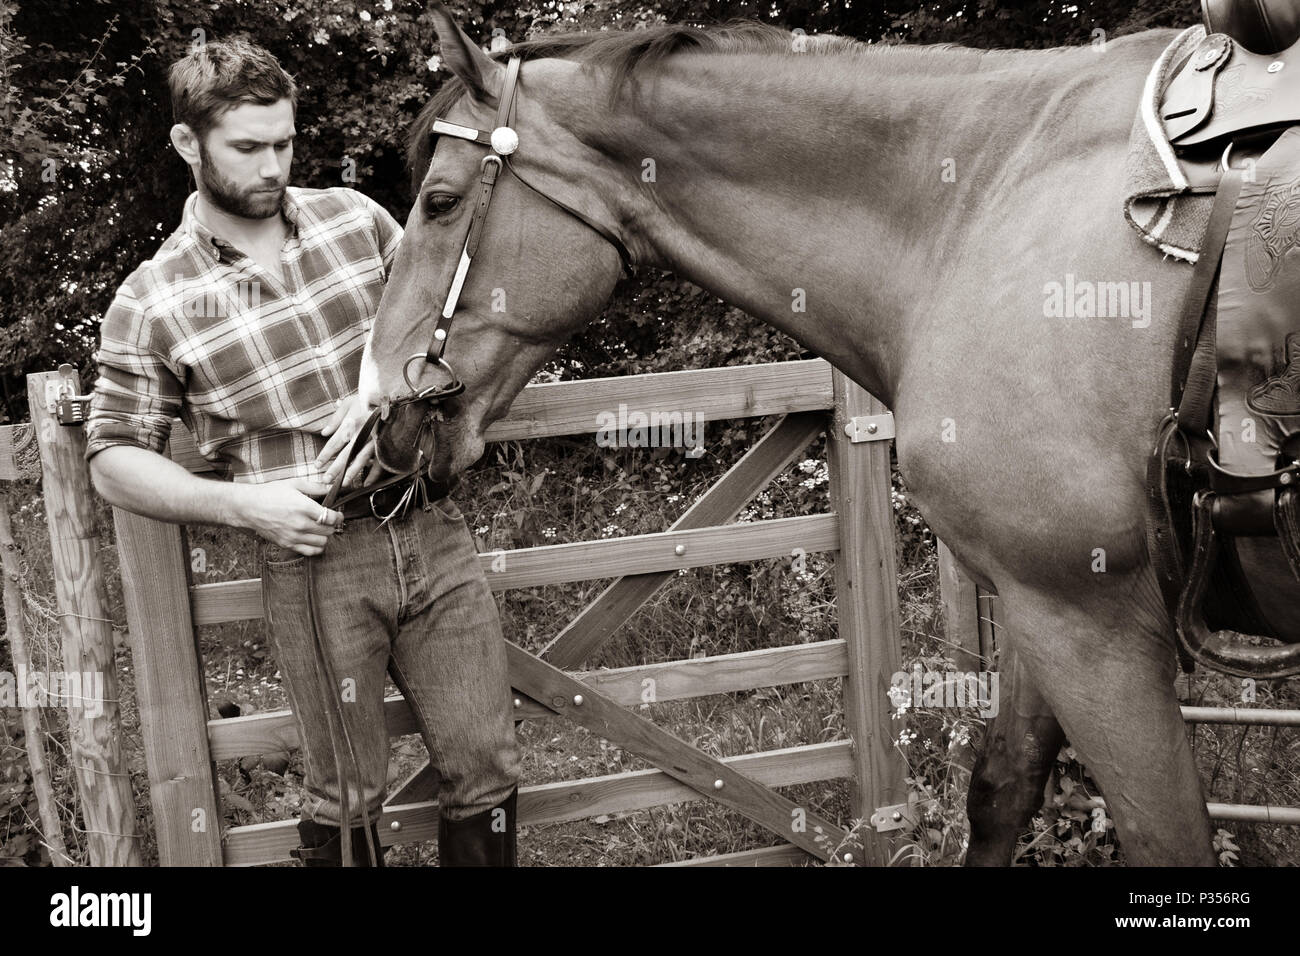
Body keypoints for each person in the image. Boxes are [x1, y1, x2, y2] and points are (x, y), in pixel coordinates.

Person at [84, 36, 520, 866]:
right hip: (314, 557)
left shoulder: (356, 220)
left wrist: (381, 382)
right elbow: (111, 459)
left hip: (433, 530)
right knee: (348, 795)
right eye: (247, 147)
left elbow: (444, 326)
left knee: (487, 770)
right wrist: (242, 506)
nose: (274, 164)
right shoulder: (153, 300)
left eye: (283, 141)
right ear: (188, 144)